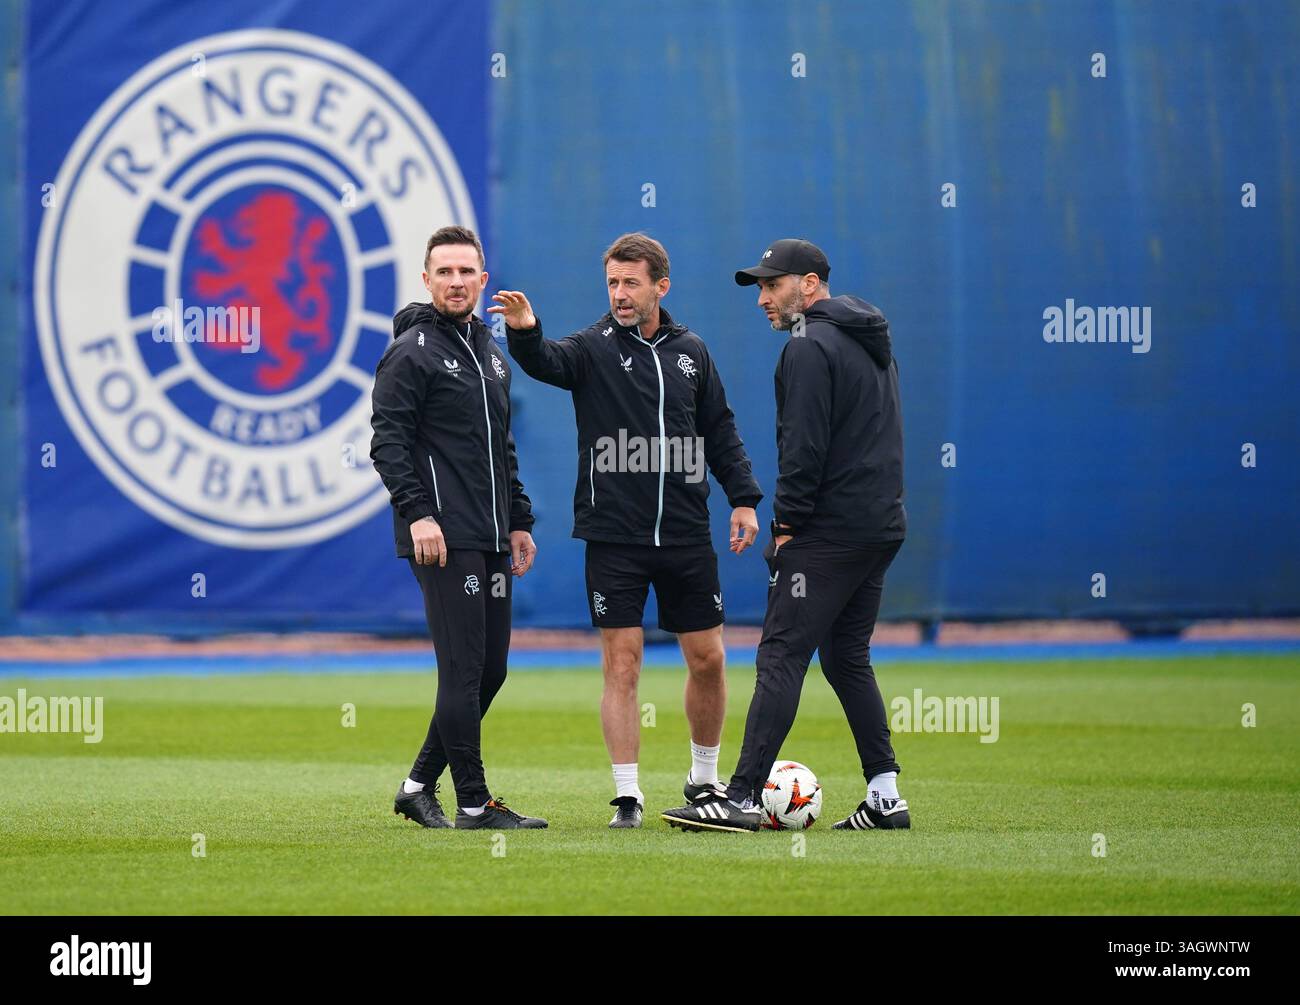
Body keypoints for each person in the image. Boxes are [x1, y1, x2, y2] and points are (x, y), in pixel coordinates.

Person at [492, 232, 762, 828]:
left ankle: (704, 780)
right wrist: (525, 328)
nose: (619, 293)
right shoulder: (591, 348)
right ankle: (627, 796)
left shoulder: (692, 350)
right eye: (612, 282)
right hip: (614, 536)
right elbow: (545, 362)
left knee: (709, 660)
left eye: (631, 282)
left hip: (688, 534)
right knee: (623, 663)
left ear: (660, 286)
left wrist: (743, 499)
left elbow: (719, 430)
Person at [662, 239, 909, 833]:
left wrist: (787, 526)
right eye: (760, 288)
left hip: (828, 531)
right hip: (879, 525)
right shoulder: (866, 338)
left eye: (773, 286)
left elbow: (804, 449)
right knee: (847, 658)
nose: (764, 299)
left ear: (811, 284)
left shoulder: (806, 346)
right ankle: (885, 797)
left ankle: (742, 795)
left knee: (780, 654)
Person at [371, 224, 546, 830]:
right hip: (443, 537)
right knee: (463, 670)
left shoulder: (490, 352)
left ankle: (417, 785)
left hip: (492, 536)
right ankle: (473, 802)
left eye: (465, 271)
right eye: (443, 271)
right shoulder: (412, 349)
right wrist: (418, 513)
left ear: (482, 279)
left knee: (490, 670)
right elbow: (387, 443)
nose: (455, 281)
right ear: (426, 279)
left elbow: (502, 449)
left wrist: (519, 520)